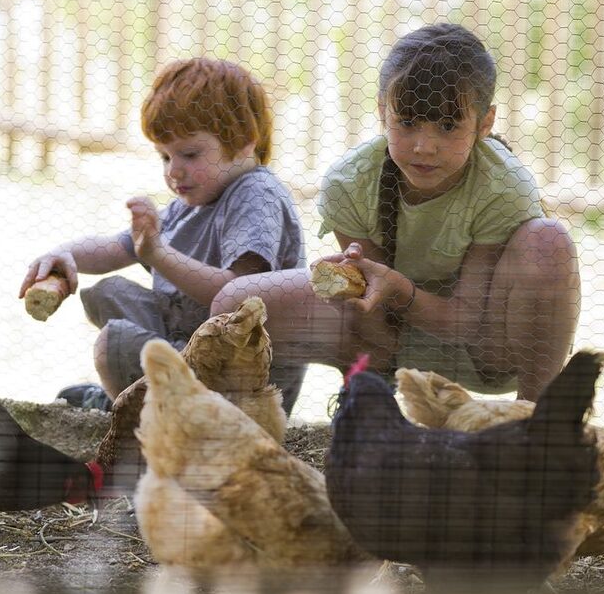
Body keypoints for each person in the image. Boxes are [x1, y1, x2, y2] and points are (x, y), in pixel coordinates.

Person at [212, 23, 581, 401]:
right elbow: (377, 327)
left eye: (448, 125)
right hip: (390, 339)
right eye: (407, 123)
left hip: (485, 347)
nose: (424, 146)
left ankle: (538, 428)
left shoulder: (503, 185)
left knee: (548, 241)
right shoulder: (350, 182)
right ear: (382, 111)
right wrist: (361, 290)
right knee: (234, 305)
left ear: (485, 123)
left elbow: (464, 322)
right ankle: (327, 408)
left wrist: (397, 288)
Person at [18, 58, 306, 409]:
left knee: (115, 343)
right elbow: (118, 246)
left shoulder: (255, 195)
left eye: (189, 153)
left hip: (242, 381)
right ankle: (135, 401)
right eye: (165, 157)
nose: (174, 171)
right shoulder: (194, 198)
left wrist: (158, 254)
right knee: (110, 293)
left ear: (245, 141)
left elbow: (234, 296)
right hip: (192, 343)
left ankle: (128, 413)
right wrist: (65, 254)